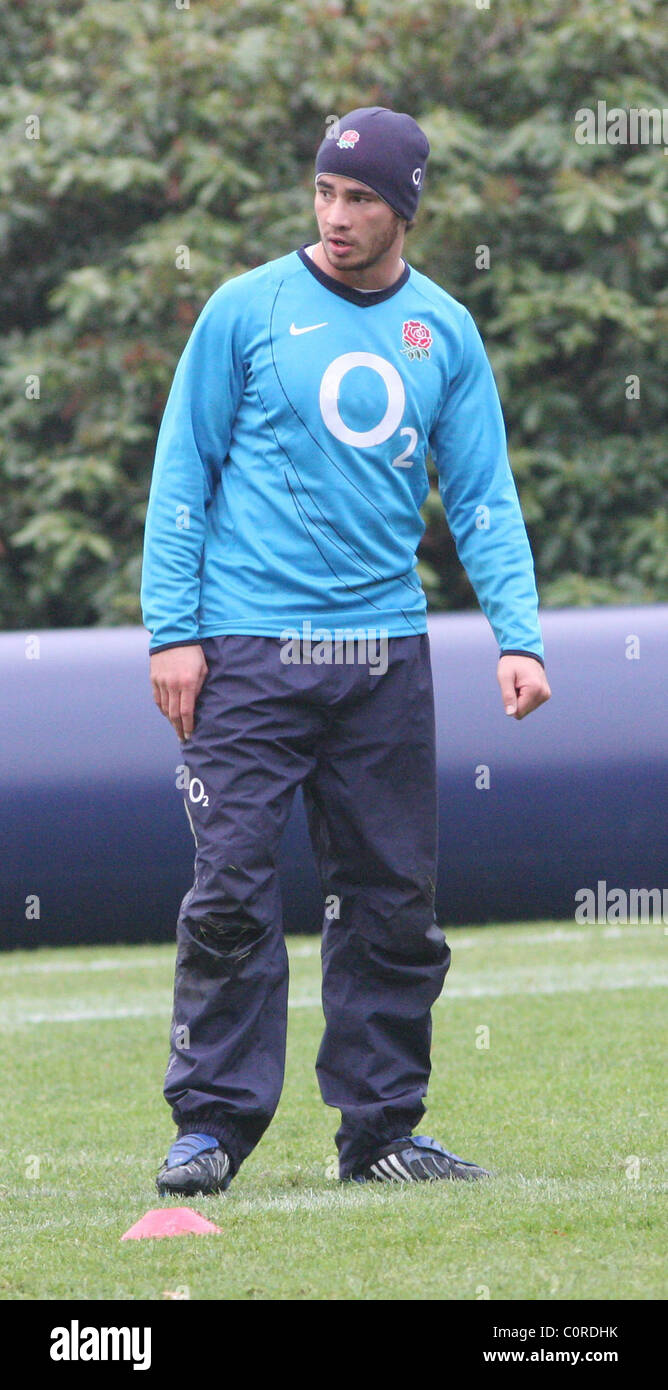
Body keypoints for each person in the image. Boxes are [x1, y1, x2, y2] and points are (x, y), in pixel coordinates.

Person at [141, 106, 551, 1195]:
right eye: (324, 191)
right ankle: (211, 1128)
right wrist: (171, 632)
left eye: (361, 197)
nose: (335, 215)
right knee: (229, 887)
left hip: (385, 653)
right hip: (246, 649)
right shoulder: (245, 311)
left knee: (390, 899)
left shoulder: (443, 333)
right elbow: (182, 473)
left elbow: (481, 499)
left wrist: (518, 636)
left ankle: (379, 1135)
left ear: (404, 208)